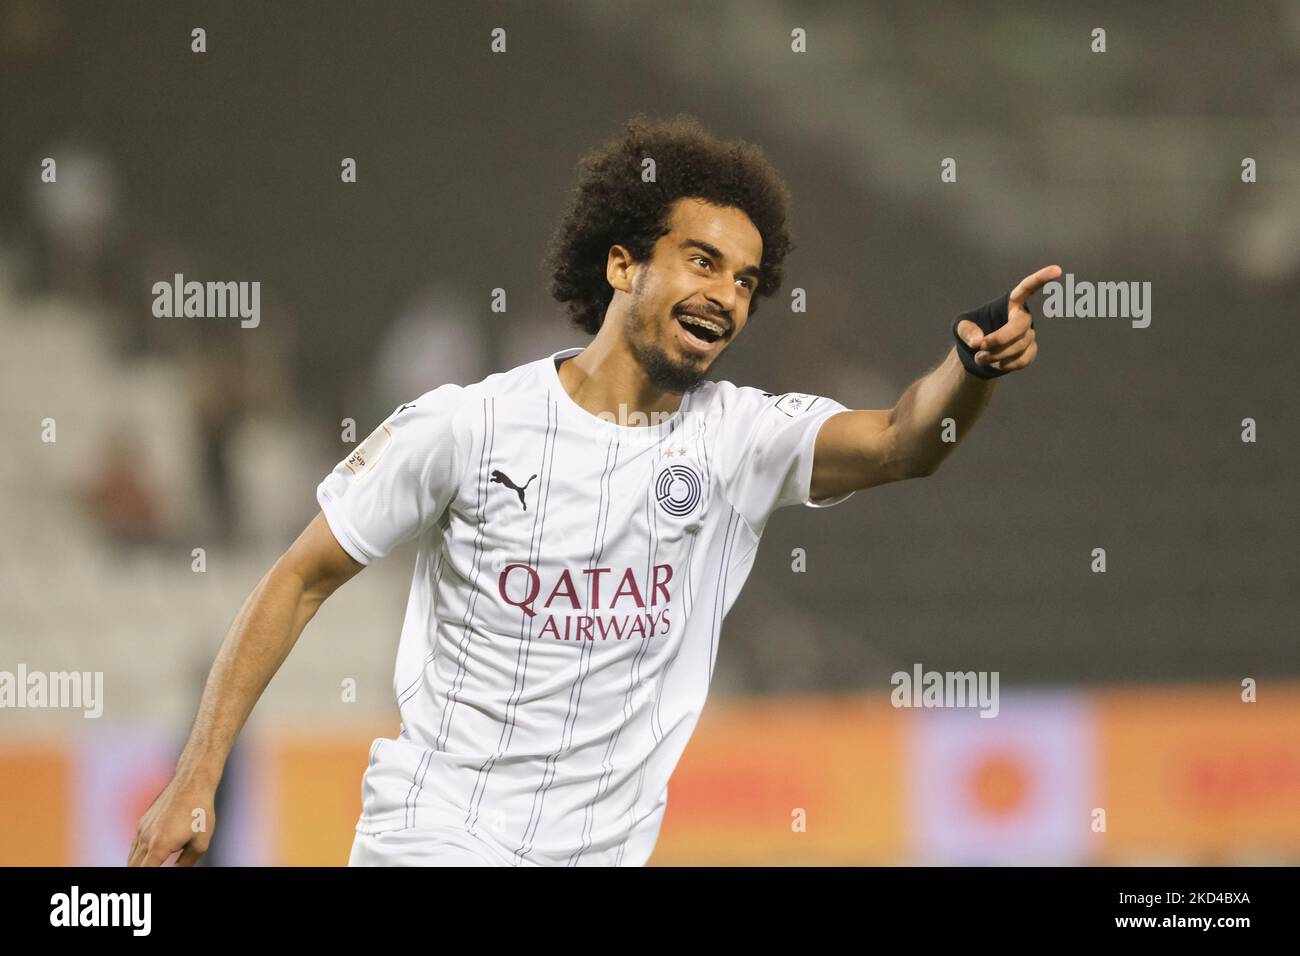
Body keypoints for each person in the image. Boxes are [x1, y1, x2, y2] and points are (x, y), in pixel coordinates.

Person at [129, 113, 1052, 867]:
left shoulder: (741, 439)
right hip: (437, 838)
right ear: (622, 265)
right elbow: (299, 575)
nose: (728, 295)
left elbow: (902, 441)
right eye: (702, 261)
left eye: (748, 280)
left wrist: (969, 369)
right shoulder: (466, 426)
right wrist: (196, 775)